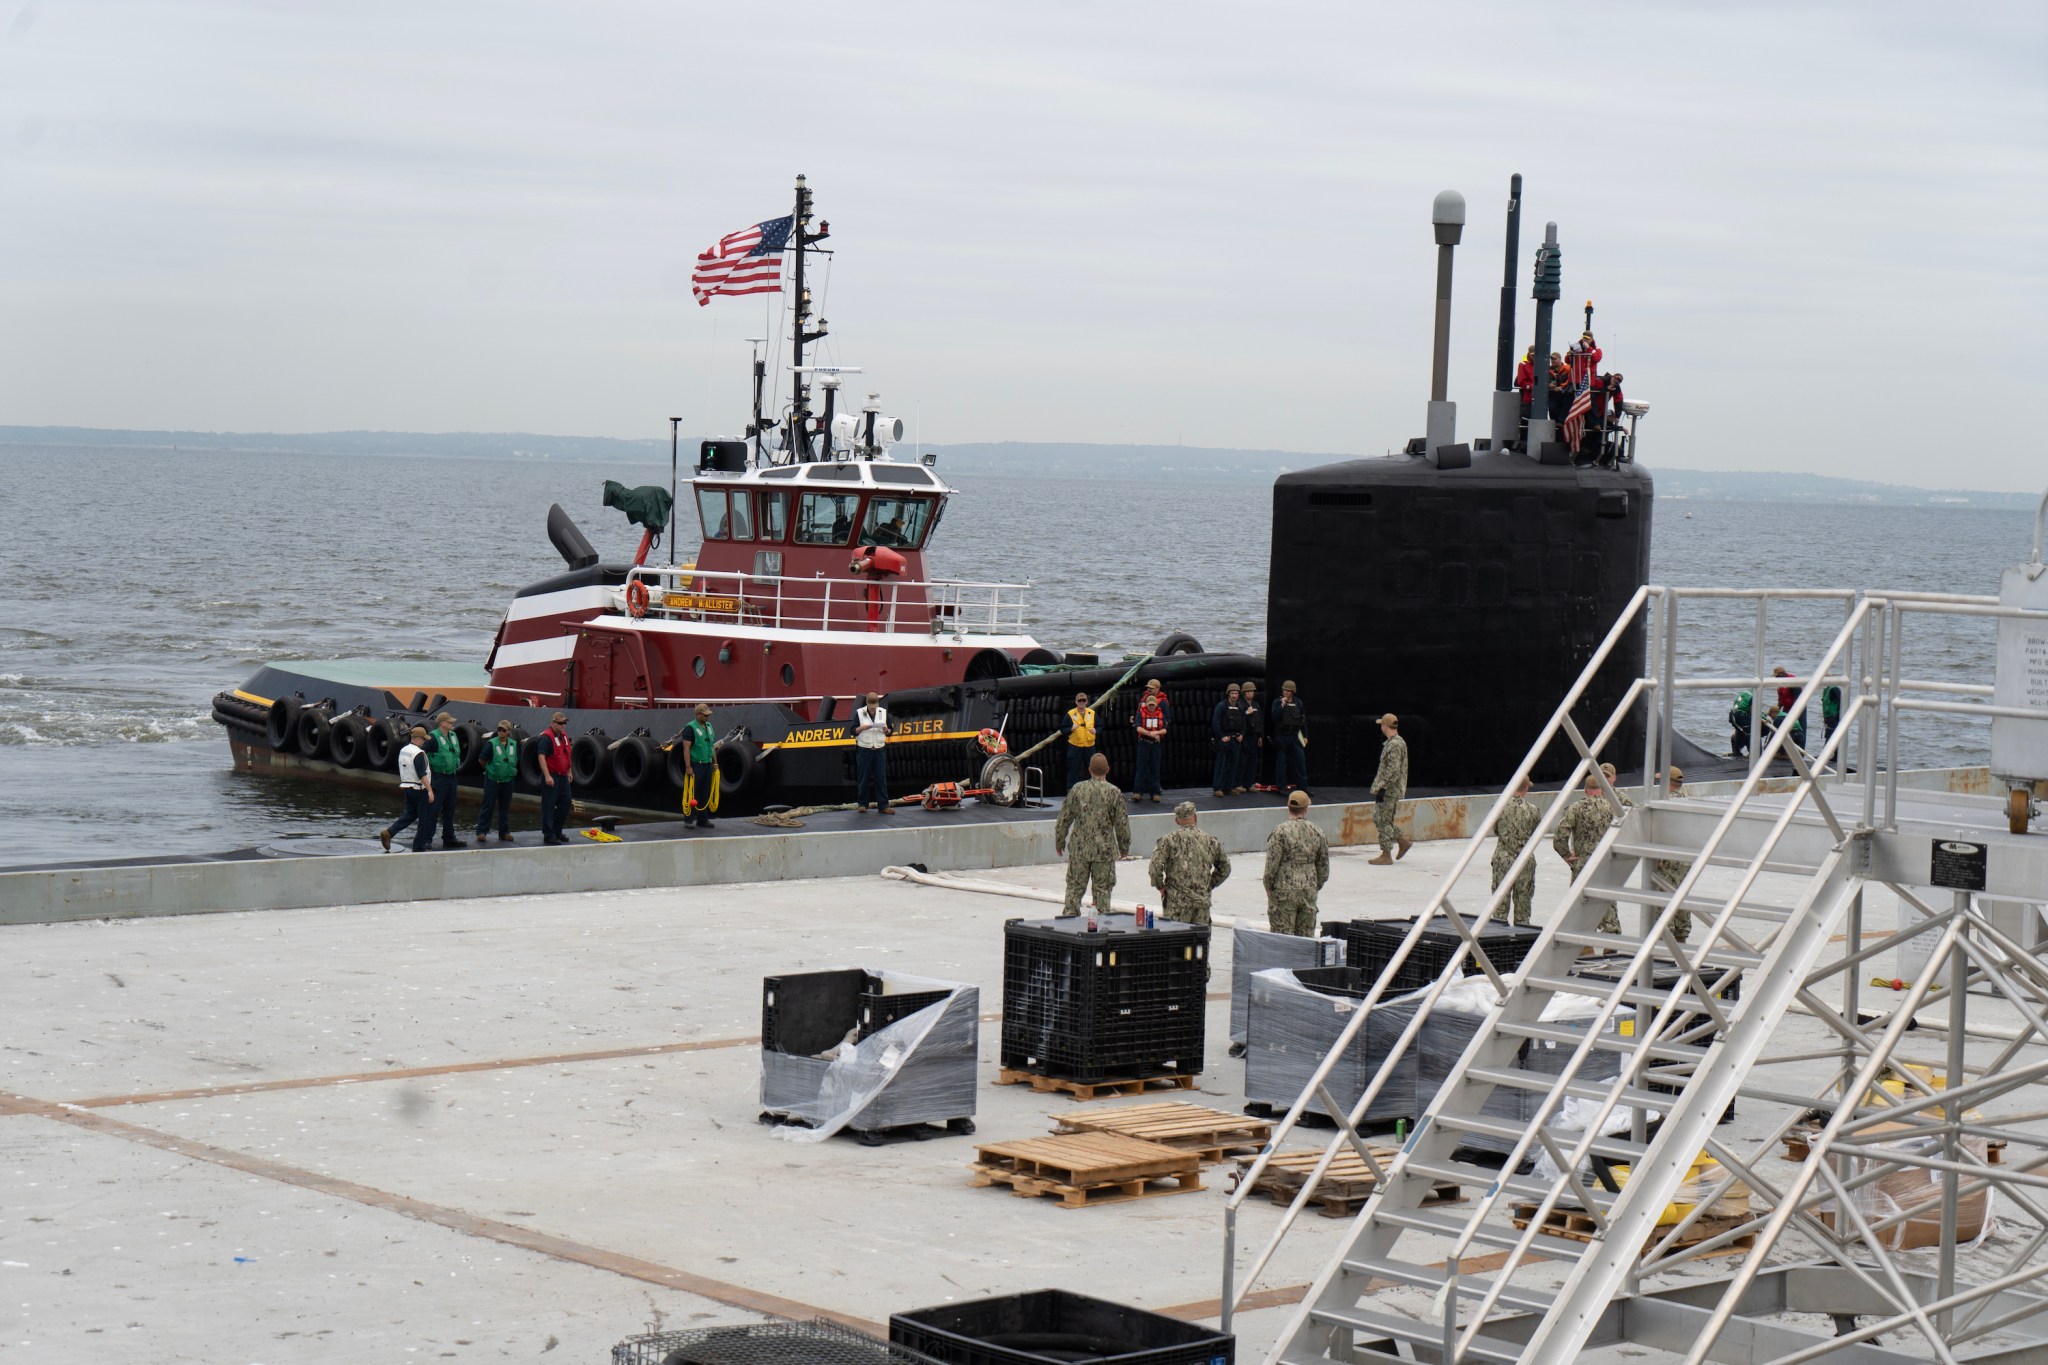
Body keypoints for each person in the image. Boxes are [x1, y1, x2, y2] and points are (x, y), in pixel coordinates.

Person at [1554, 763, 1632, 932]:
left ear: (1585, 789)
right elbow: (1630, 829)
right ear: (1602, 789)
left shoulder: (1575, 808)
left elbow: (1560, 835)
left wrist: (1567, 855)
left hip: (1583, 862)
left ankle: (1585, 944)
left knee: (1582, 902)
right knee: (1607, 901)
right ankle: (1611, 940)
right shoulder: (1615, 808)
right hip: (1607, 861)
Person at [1055, 752, 1130, 917]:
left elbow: (1064, 819)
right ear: (1108, 770)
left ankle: (1069, 919)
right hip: (1104, 851)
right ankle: (1102, 923)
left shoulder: (1077, 789)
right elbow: (1122, 824)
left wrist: (1059, 842)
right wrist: (1124, 848)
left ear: (1089, 770)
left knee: (1074, 886)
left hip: (1079, 850)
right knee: (1103, 889)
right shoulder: (1114, 793)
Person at [1147, 801, 1231, 925]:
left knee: (1176, 941)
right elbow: (1225, 868)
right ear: (1195, 818)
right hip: (1202, 903)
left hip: (1176, 904)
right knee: (1200, 941)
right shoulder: (1211, 841)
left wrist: (1160, 887)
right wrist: (1209, 884)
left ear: (1177, 821)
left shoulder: (1168, 840)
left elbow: (1155, 868)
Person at [1263, 789, 1330, 936]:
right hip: (1309, 890)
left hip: (1283, 891)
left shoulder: (1280, 832)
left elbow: (1271, 865)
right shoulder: (1318, 832)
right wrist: (1315, 886)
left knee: (1282, 940)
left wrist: (1269, 887)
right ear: (1306, 809)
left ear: (1288, 806)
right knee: (1305, 942)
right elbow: (1324, 866)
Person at [1649, 766, 1692, 942]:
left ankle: (1663, 934)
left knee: (1663, 896)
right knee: (1681, 895)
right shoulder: (1687, 800)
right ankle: (1681, 933)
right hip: (1685, 856)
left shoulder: (1665, 802)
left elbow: (1661, 829)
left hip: (1668, 858)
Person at [1489, 774, 1539, 925]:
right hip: (1525, 860)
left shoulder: (1498, 807)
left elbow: (1496, 829)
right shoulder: (1533, 810)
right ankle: (1521, 938)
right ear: (1525, 789)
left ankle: (1498, 941)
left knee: (1500, 904)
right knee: (1523, 904)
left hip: (1503, 858)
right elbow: (1535, 832)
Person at [416, 711, 468, 852]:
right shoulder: (433, 737)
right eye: (449, 721)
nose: (452, 723)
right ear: (442, 723)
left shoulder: (453, 735)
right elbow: (422, 753)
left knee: (450, 809)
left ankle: (449, 837)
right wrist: (426, 771)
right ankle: (427, 839)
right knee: (433, 809)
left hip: (451, 776)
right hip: (439, 777)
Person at [378, 725, 432, 852]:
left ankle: (389, 833)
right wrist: (429, 790)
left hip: (407, 787)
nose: (424, 742)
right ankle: (418, 847)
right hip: (419, 789)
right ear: (418, 739)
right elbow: (421, 773)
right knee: (425, 820)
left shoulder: (404, 750)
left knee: (410, 814)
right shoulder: (418, 753)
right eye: (424, 739)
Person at [1366, 712, 1411, 865]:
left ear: (1385, 726)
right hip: (1390, 788)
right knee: (1383, 818)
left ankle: (1386, 854)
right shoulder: (1395, 742)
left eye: (1382, 725)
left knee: (1382, 820)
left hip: (1389, 790)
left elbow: (1393, 770)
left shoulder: (1395, 745)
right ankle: (1402, 841)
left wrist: (1382, 788)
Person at [473, 719, 520, 843]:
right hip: (493, 780)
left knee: (505, 807)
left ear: (508, 732)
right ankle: (482, 832)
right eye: (499, 729)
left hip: (508, 780)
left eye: (503, 730)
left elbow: (516, 758)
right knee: (488, 806)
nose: (501, 732)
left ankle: (504, 832)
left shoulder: (513, 744)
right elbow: (482, 760)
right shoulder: (491, 744)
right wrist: (491, 769)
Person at [535, 711, 575, 845]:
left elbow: (566, 754)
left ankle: (557, 830)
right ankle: (548, 834)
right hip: (552, 776)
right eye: (560, 723)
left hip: (563, 776)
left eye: (565, 723)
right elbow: (541, 757)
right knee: (549, 805)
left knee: (566, 802)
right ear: (553, 723)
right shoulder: (546, 738)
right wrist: (547, 776)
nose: (563, 725)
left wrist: (569, 771)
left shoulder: (563, 737)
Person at [1130, 679, 1169, 804]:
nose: (1149, 690)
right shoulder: (1143, 701)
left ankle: (1155, 791)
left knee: (1154, 767)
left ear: (1158, 688)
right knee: (1141, 767)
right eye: (1148, 688)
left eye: (1152, 688)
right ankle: (1138, 791)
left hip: (1155, 740)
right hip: (1144, 739)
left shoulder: (1163, 703)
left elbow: (1166, 723)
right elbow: (1138, 721)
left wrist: (1156, 734)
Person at [681, 703, 719, 827]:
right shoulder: (690, 728)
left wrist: (715, 763)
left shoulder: (709, 726)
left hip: (707, 764)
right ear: (698, 715)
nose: (708, 717)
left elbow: (711, 746)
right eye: (705, 715)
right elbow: (686, 749)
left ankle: (702, 819)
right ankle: (689, 819)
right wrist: (688, 767)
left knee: (705, 792)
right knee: (693, 792)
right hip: (696, 764)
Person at [852, 691, 890, 813]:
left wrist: (886, 730)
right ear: (867, 704)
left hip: (879, 750)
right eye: (871, 708)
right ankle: (862, 804)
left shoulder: (883, 712)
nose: (873, 710)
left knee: (881, 779)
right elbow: (852, 730)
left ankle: (883, 806)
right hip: (864, 750)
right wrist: (861, 728)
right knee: (863, 778)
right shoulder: (859, 713)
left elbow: (891, 729)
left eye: (875, 707)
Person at [1269, 680, 1307, 797]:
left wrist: (1305, 736)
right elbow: (1274, 718)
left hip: (1294, 736)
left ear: (1292, 692)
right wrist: (1282, 705)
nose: (1285, 692)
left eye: (1287, 690)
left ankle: (1303, 788)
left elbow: (1303, 720)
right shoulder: (1277, 702)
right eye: (1284, 690)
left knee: (1300, 763)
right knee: (1281, 763)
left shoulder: (1298, 703)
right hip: (1282, 736)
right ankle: (1281, 787)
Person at [1210, 683, 1246, 796]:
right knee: (1222, 764)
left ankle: (1229, 787)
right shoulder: (1221, 706)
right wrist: (1221, 736)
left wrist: (1242, 735)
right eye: (1232, 693)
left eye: (1236, 693)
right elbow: (1215, 723)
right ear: (1228, 694)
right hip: (1225, 739)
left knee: (1234, 764)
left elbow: (1244, 724)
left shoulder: (1240, 708)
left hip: (1236, 740)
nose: (1234, 695)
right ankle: (1218, 788)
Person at [1063, 691, 1098, 792]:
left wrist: (1096, 730)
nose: (1082, 702)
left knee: (1093, 768)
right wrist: (1070, 728)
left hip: (1089, 745)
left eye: (1084, 700)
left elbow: (1100, 726)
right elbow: (1062, 729)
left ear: (1087, 702)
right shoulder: (1070, 714)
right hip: (1075, 746)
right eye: (1080, 700)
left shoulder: (1092, 713)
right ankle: (1071, 790)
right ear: (1076, 702)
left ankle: (1095, 789)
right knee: (1073, 769)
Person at [1239, 680, 1265, 793]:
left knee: (1253, 761)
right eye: (1248, 691)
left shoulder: (1256, 705)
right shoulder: (1240, 705)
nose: (1250, 693)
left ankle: (1249, 783)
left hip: (1254, 737)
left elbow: (1260, 721)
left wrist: (1260, 736)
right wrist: (1246, 714)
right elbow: (1238, 721)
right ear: (1244, 693)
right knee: (1242, 760)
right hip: (1245, 737)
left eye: (1252, 691)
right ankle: (1239, 783)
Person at [1728, 691, 1753, 758]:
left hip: (1733, 715)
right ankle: (1753, 753)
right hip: (1742, 716)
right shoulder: (1754, 695)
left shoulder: (1743, 693)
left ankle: (1736, 752)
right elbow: (1751, 709)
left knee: (1739, 732)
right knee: (1750, 733)